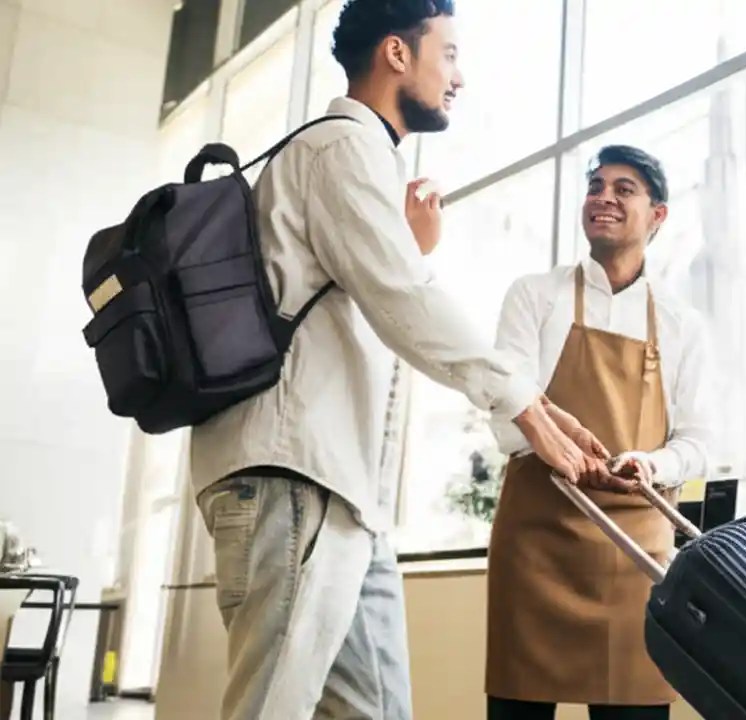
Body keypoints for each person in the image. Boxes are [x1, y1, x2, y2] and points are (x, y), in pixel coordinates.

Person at [188, 2, 607, 718]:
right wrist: (526, 405)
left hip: (344, 494)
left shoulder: (358, 161)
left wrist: (407, 251)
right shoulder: (339, 150)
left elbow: (372, 292)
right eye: (448, 55)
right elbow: (405, 297)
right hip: (297, 479)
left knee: (376, 711)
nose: (460, 77)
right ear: (397, 54)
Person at [485, 145, 716, 720]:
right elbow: (503, 410)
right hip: (537, 542)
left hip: (633, 552)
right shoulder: (533, 296)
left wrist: (650, 465)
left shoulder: (684, 324)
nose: (603, 198)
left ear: (657, 215)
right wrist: (558, 447)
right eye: (595, 186)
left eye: (624, 189)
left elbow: (700, 441)